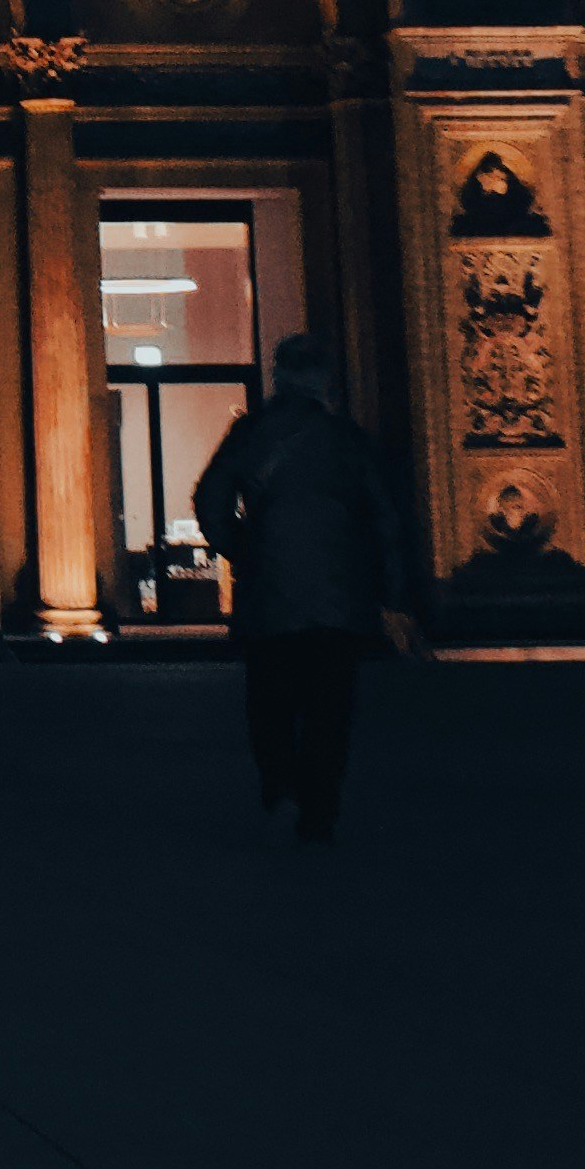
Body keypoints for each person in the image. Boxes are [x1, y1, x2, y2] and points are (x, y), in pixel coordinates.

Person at [189, 334, 406, 842]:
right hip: (339, 596)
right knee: (329, 707)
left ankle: (279, 782)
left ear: (278, 376)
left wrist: (243, 549)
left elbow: (210, 500)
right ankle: (319, 807)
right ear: (323, 380)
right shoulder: (345, 438)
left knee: (270, 700)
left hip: (269, 595)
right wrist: (390, 593)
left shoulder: (250, 435)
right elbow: (385, 519)